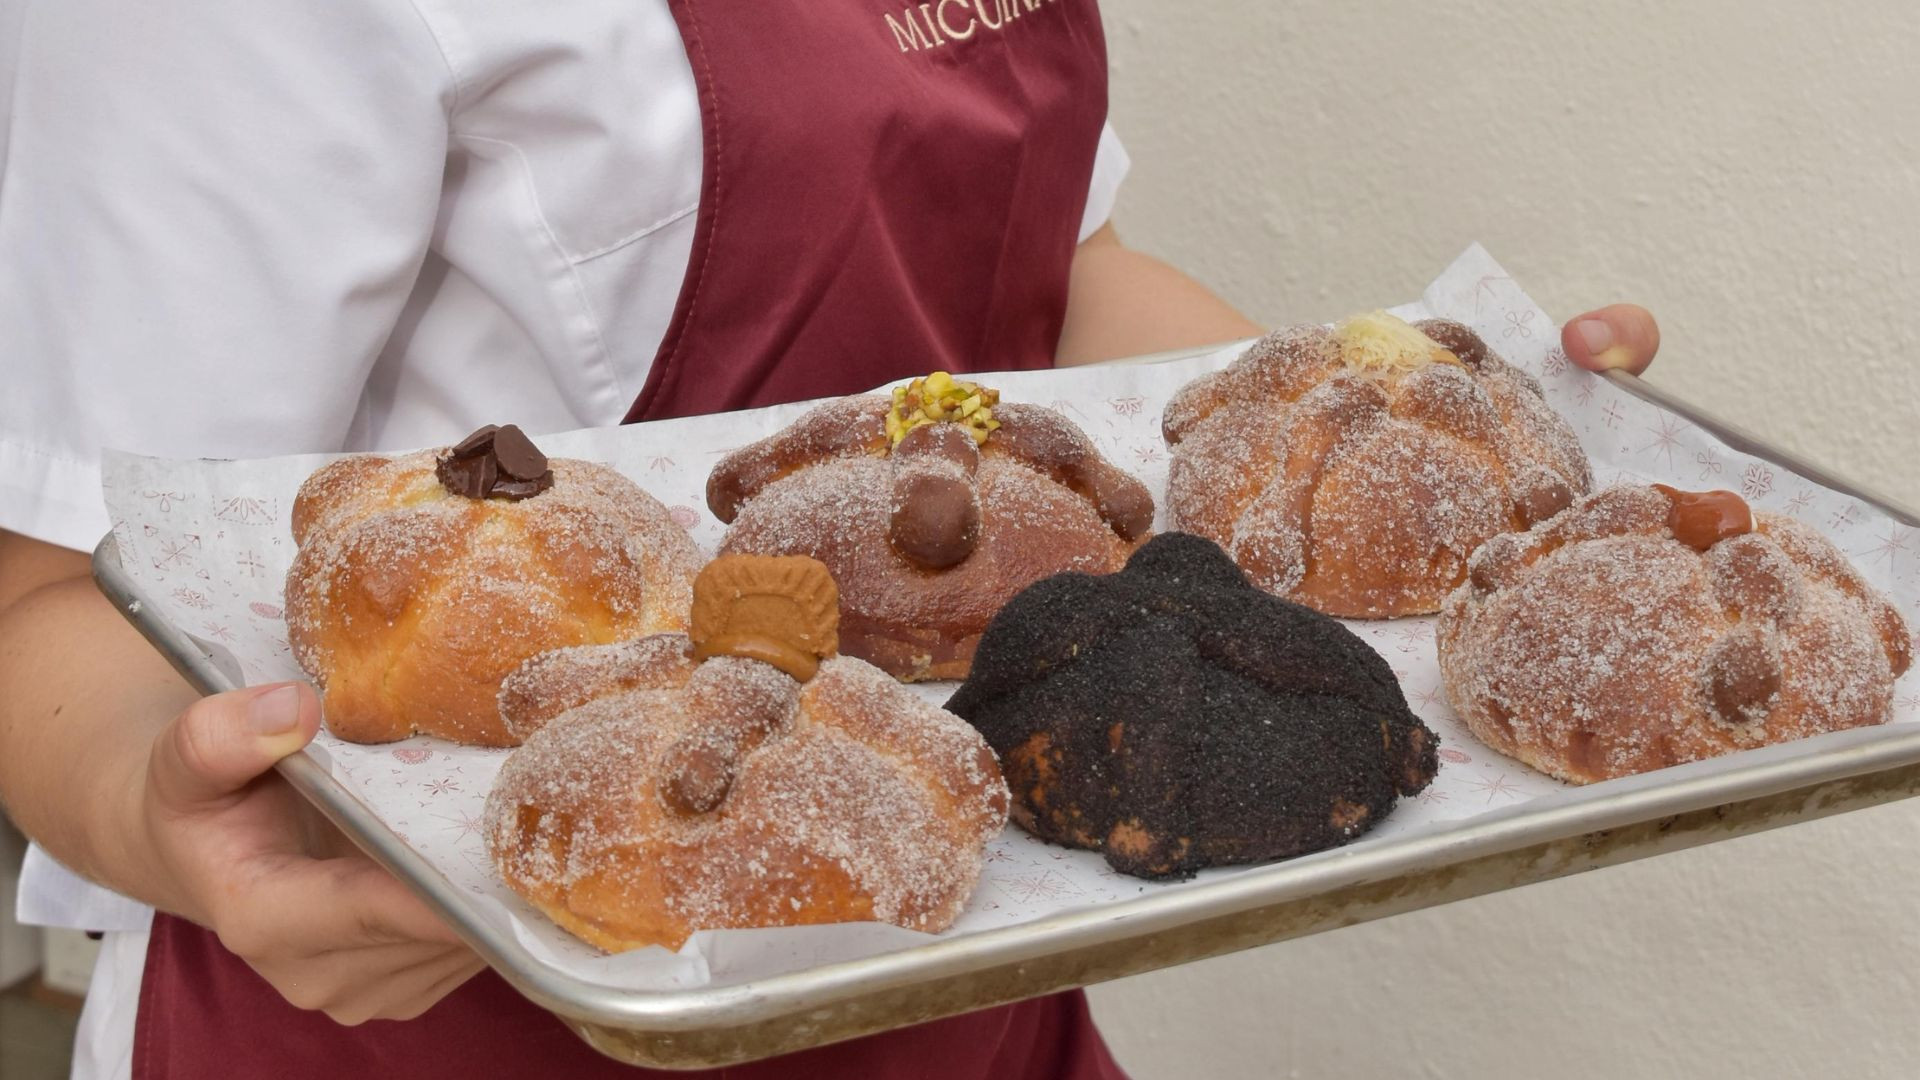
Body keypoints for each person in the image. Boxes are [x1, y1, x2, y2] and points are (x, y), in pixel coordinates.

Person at [0, 1, 1662, 1076]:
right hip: (440, 1006)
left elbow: (1053, 277)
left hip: (954, 920)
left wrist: (1379, 443)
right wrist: (173, 832)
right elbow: (47, 584)